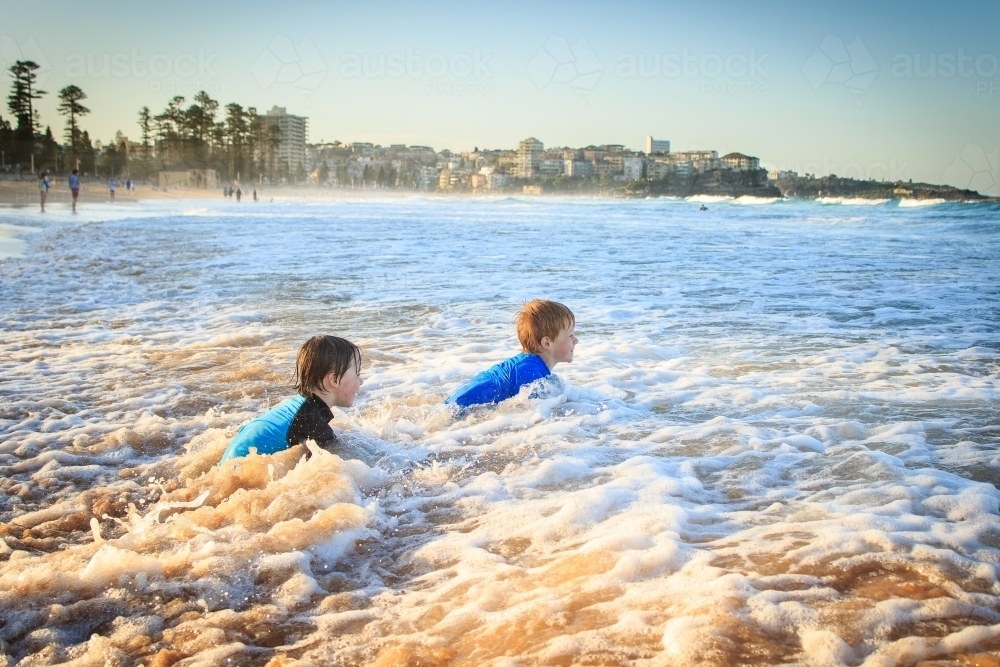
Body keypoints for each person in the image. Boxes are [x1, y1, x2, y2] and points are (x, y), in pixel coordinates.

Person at [219, 335, 364, 462]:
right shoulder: (312, 422)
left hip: (232, 461)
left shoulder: (302, 408)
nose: (361, 381)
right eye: (357, 374)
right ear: (335, 380)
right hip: (239, 471)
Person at [446, 299, 577, 409]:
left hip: (455, 405)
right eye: (570, 335)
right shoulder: (529, 372)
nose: (576, 340)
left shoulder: (531, 366)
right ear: (547, 343)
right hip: (459, 411)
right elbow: (532, 416)